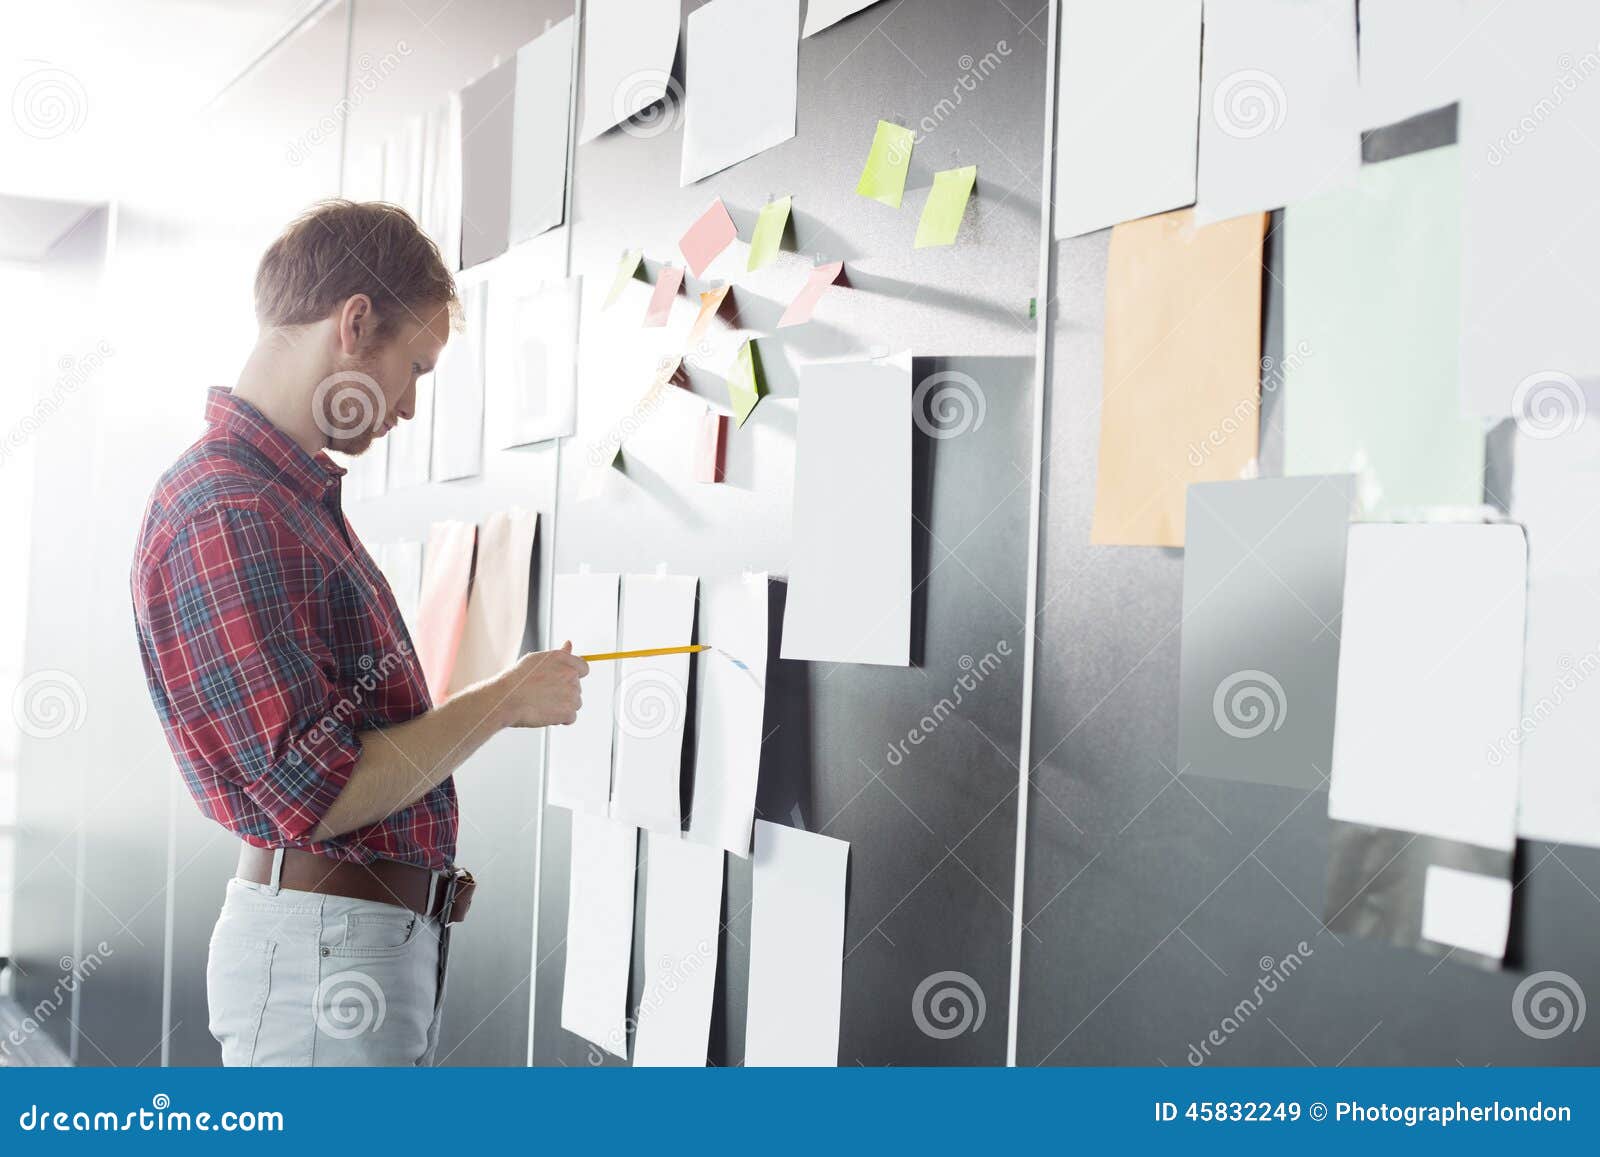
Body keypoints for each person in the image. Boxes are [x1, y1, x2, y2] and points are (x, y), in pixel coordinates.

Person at [129, 200, 587, 1066]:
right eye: (415, 366)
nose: (409, 405)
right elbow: (317, 795)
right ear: (354, 324)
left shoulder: (278, 496)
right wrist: (502, 700)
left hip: (345, 946)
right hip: (326, 957)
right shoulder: (232, 507)